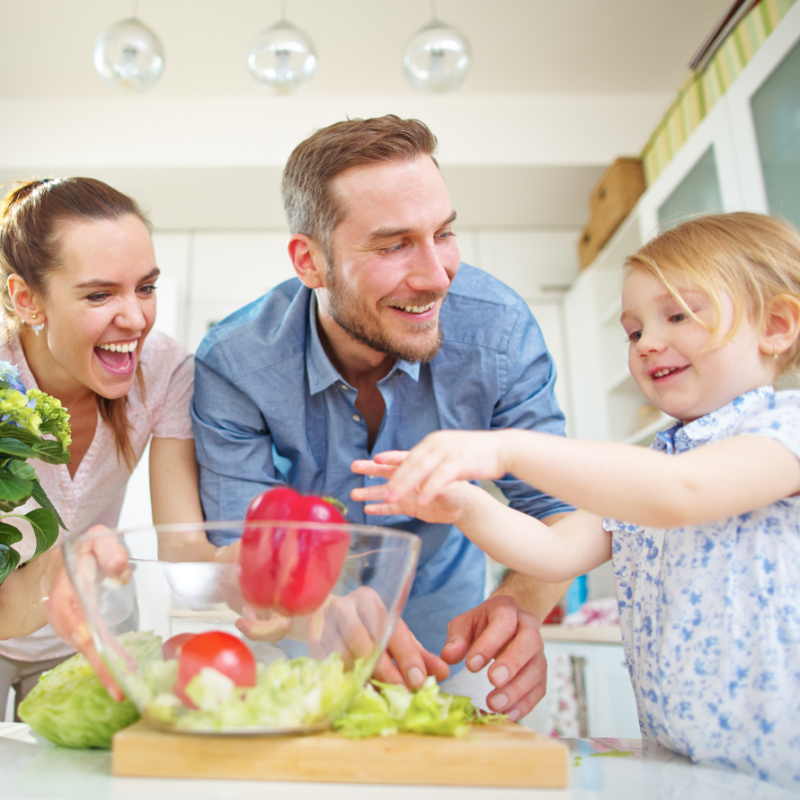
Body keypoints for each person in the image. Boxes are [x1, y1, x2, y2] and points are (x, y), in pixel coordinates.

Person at [355, 212, 800, 787]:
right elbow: (552, 552)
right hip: (684, 759)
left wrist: (507, 450)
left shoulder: (783, 430)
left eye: (679, 315)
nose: (648, 344)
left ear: (777, 325)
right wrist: (468, 505)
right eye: (634, 331)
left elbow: (682, 495)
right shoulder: (657, 464)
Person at [191, 115, 573, 720]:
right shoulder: (235, 362)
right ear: (310, 262)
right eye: (394, 245)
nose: (436, 275)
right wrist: (316, 614)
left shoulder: (499, 331)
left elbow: (556, 509)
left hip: (451, 645)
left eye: (443, 234)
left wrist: (520, 604)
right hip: (297, 643)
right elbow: (243, 544)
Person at [0, 177, 204, 718]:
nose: (135, 320)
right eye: (99, 294)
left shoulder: (164, 370)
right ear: (28, 300)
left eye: (145, 287)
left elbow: (184, 542)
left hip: (91, 631)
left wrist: (272, 577)